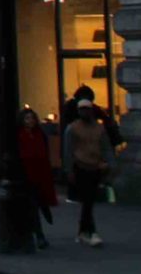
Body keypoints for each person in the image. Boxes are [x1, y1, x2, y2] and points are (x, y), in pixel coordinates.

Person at [63, 99, 114, 246]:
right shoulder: (73, 128)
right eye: (82, 109)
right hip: (80, 166)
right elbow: (68, 151)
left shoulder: (99, 128)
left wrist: (110, 165)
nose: (84, 112)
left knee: (89, 200)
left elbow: (106, 147)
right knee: (87, 200)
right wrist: (69, 170)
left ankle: (83, 231)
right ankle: (91, 232)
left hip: (95, 166)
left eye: (86, 109)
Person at [15, 107, 57, 249]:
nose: (30, 121)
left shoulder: (40, 134)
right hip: (26, 174)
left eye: (32, 118)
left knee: (39, 202)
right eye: (27, 118)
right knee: (32, 207)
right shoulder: (19, 135)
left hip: (40, 172)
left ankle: (38, 231)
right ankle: (39, 236)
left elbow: (44, 153)